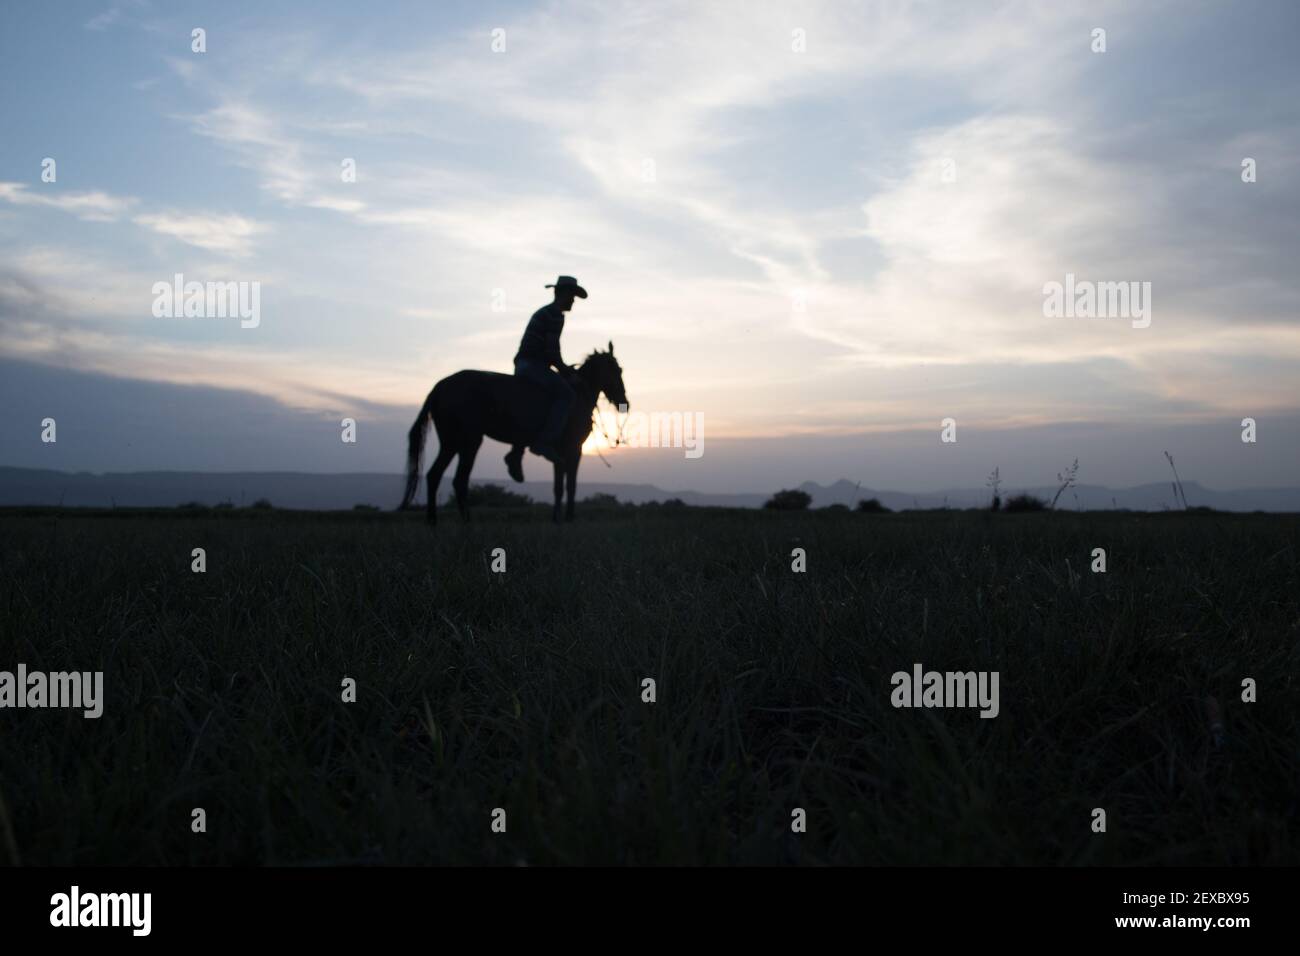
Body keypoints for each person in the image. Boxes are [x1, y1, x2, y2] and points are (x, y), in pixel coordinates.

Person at [504, 275, 586, 479]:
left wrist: (562, 368)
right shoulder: (555, 316)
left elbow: (550, 352)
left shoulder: (547, 312)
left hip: (527, 363)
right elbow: (552, 352)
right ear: (562, 293)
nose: (573, 301)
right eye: (571, 296)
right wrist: (567, 372)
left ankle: (517, 452)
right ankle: (544, 442)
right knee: (567, 395)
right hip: (533, 365)